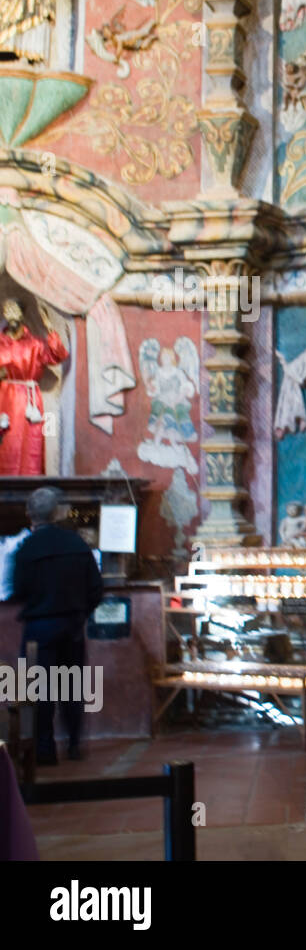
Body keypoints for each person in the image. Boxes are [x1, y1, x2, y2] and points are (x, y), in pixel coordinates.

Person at [10, 487, 103, 766]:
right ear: (57, 512)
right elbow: (95, 589)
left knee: (39, 691)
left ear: (30, 514)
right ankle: (74, 744)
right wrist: (79, 613)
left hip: (38, 629)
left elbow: (18, 589)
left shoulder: (26, 549)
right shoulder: (76, 544)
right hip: (72, 626)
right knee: (72, 688)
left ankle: (44, 749)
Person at [0, 298, 68, 475]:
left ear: (23, 314)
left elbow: (58, 355)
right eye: (8, 310)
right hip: (4, 399)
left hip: (29, 401)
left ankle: (30, 485)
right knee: (5, 444)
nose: (11, 314)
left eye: (15, 310)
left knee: (29, 444)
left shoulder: (35, 344)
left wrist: (50, 328)